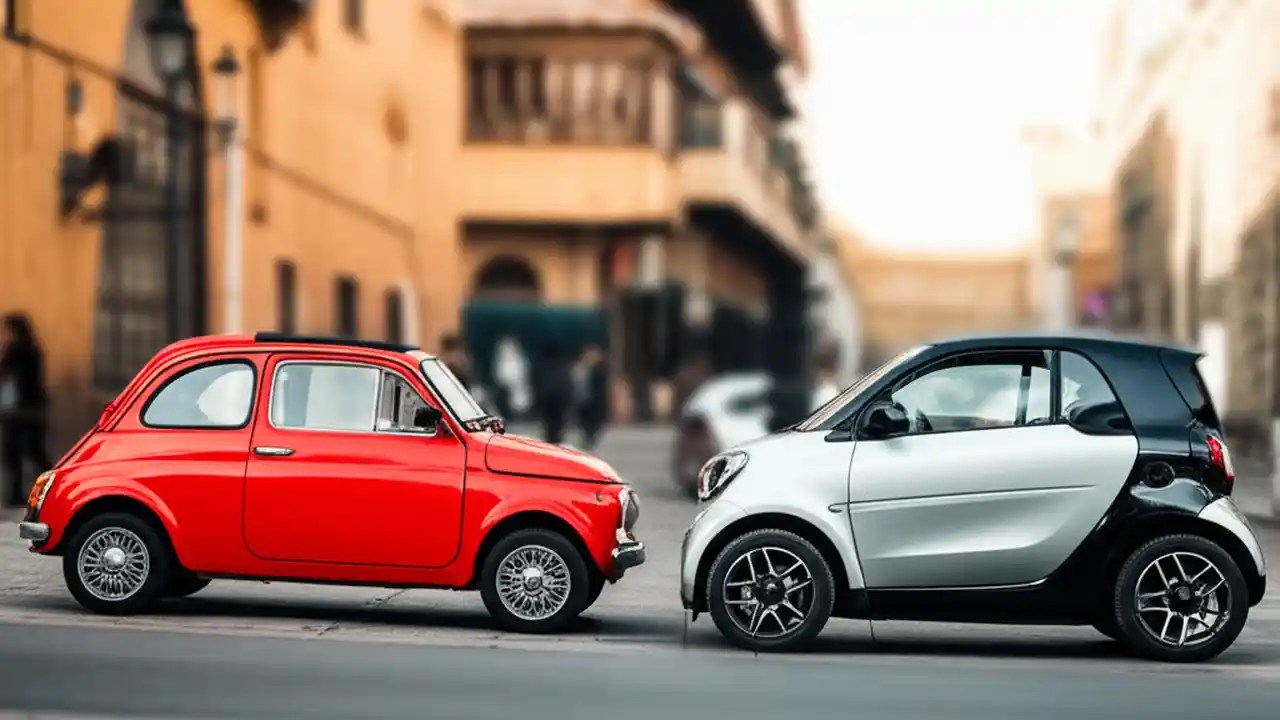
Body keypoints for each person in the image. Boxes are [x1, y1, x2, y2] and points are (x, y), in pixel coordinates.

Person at [1, 313, 51, 508]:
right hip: (33, 408)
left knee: (15, 452)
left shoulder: (16, 351)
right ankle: (50, 488)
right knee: (34, 451)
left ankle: (17, 494)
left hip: (20, 409)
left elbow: (4, 373)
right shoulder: (33, 349)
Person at [535, 341, 573, 445]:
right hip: (559, 398)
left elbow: (539, 383)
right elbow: (566, 383)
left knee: (549, 423)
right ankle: (556, 438)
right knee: (557, 422)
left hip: (548, 397)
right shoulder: (562, 365)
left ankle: (551, 438)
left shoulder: (543, 366)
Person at [573, 343, 609, 450]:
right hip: (583, 401)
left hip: (596, 402)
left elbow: (602, 389)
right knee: (585, 424)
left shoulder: (600, 371)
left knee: (596, 424)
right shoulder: (581, 369)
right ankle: (587, 441)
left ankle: (589, 440)